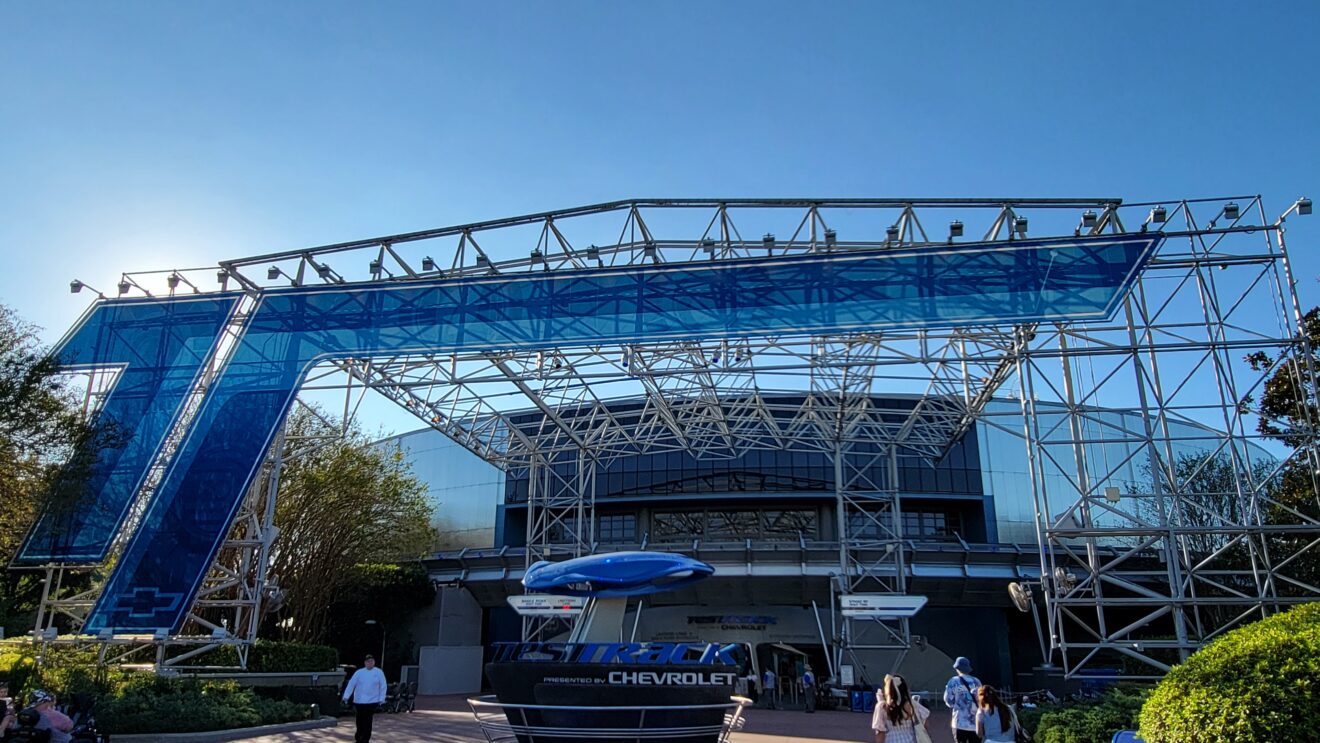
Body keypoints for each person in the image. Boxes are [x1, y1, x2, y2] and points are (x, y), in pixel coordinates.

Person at [870, 674, 930, 743]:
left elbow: (880, 732)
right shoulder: (912, 704)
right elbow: (925, 722)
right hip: (911, 740)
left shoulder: (882, 707)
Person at [342, 655, 388, 743]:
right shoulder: (359, 672)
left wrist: (382, 699)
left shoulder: (379, 672)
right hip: (359, 701)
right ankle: (358, 737)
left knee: (368, 720)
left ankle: (365, 739)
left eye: (371, 661)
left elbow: (383, 686)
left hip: (372, 701)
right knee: (359, 721)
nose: (369, 663)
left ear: (374, 662)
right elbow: (351, 684)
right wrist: (346, 696)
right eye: (368, 661)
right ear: (365, 663)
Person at [943, 656, 983, 743]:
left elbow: (948, 701)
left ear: (957, 668)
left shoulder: (953, 681)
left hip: (959, 722)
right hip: (976, 722)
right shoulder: (977, 681)